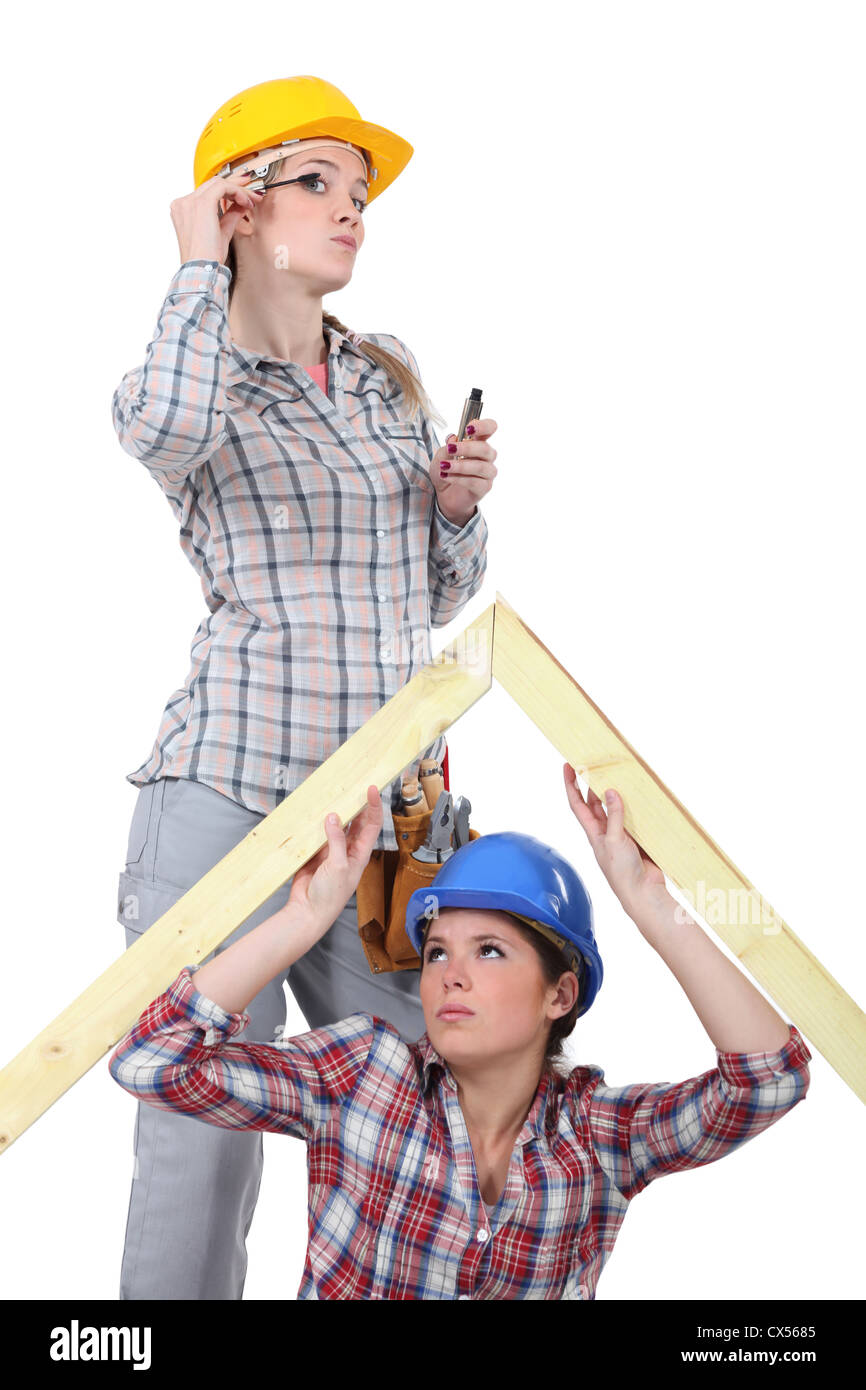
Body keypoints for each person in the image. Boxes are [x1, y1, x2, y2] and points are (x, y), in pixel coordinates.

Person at [110, 75, 497, 1300]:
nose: (354, 213)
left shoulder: (386, 374)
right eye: (320, 183)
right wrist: (190, 254)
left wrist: (454, 510)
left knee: (397, 1123)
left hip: (382, 818)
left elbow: (433, 595)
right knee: (202, 1129)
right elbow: (161, 434)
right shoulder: (192, 371)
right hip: (229, 794)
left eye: (361, 192)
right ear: (240, 202)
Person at [109, 764, 811, 1301]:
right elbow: (150, 1062)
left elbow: (769, 1080)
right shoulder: (363, 1076)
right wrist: (302, 919)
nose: (450, 973)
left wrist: (653, 905)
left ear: (559, 994)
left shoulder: (600, 1139)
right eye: (439, 950)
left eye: (490, 950)